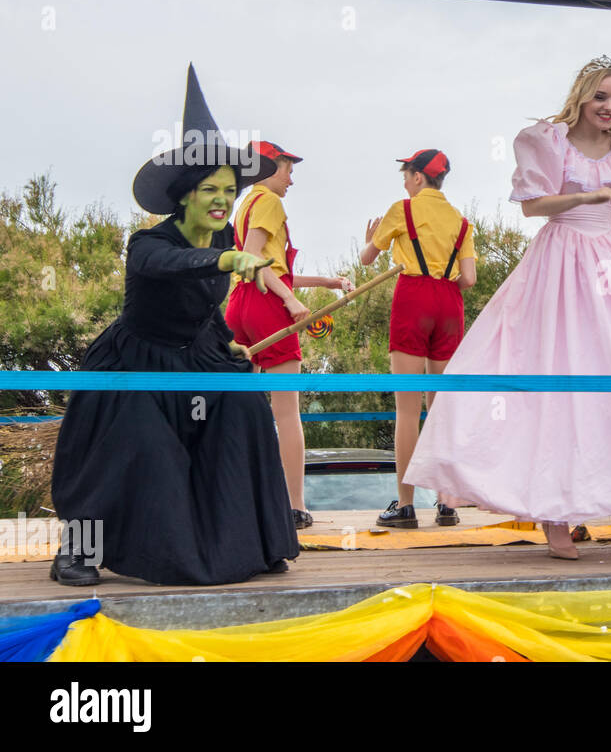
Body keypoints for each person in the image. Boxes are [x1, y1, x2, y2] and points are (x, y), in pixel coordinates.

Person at [402, 55, 611, 559]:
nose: (609, 107)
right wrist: (589, 198)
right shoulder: (550, 140)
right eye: (601, 97)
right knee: (556, 383)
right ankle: (556, 518)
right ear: (582, 97)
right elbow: (532, 206)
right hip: (559, 260)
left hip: (609, 261)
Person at [49, 65, 300, 586]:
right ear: (184, 194)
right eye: (209, 188)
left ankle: (259, 541)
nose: (221, 200)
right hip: (136, 362)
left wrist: (228, 346)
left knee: (246, 410)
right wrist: (225, 262)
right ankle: (78, 550)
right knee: (140, 441)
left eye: (229, 190)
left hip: (198, 357)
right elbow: (166, 269)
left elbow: (204, 309)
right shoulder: (149, 242)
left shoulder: (225, 231)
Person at [226, 141, 354, 530]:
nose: (291, 178)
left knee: (238, 410)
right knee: (286, 411)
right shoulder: (269, 202)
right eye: (286, 168)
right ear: (265, 168)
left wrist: (327, 281)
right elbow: (255, 262)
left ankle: (237, 501)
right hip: (266, 306)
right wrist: (290, 301)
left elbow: (267, 267)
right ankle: (295, 507)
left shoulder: (244, 205)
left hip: (238, 306)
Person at [359, 149, 476, 530]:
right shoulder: (461, 221)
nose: (403, 180)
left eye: (406, 173)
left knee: (407, 410)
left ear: (418, 178)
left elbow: (366, 258)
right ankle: (446, 504)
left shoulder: (402, 209)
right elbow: (469, 279)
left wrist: (367, 241)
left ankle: (406, 506)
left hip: (413, 298)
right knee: (440, 407)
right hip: (449, 303)